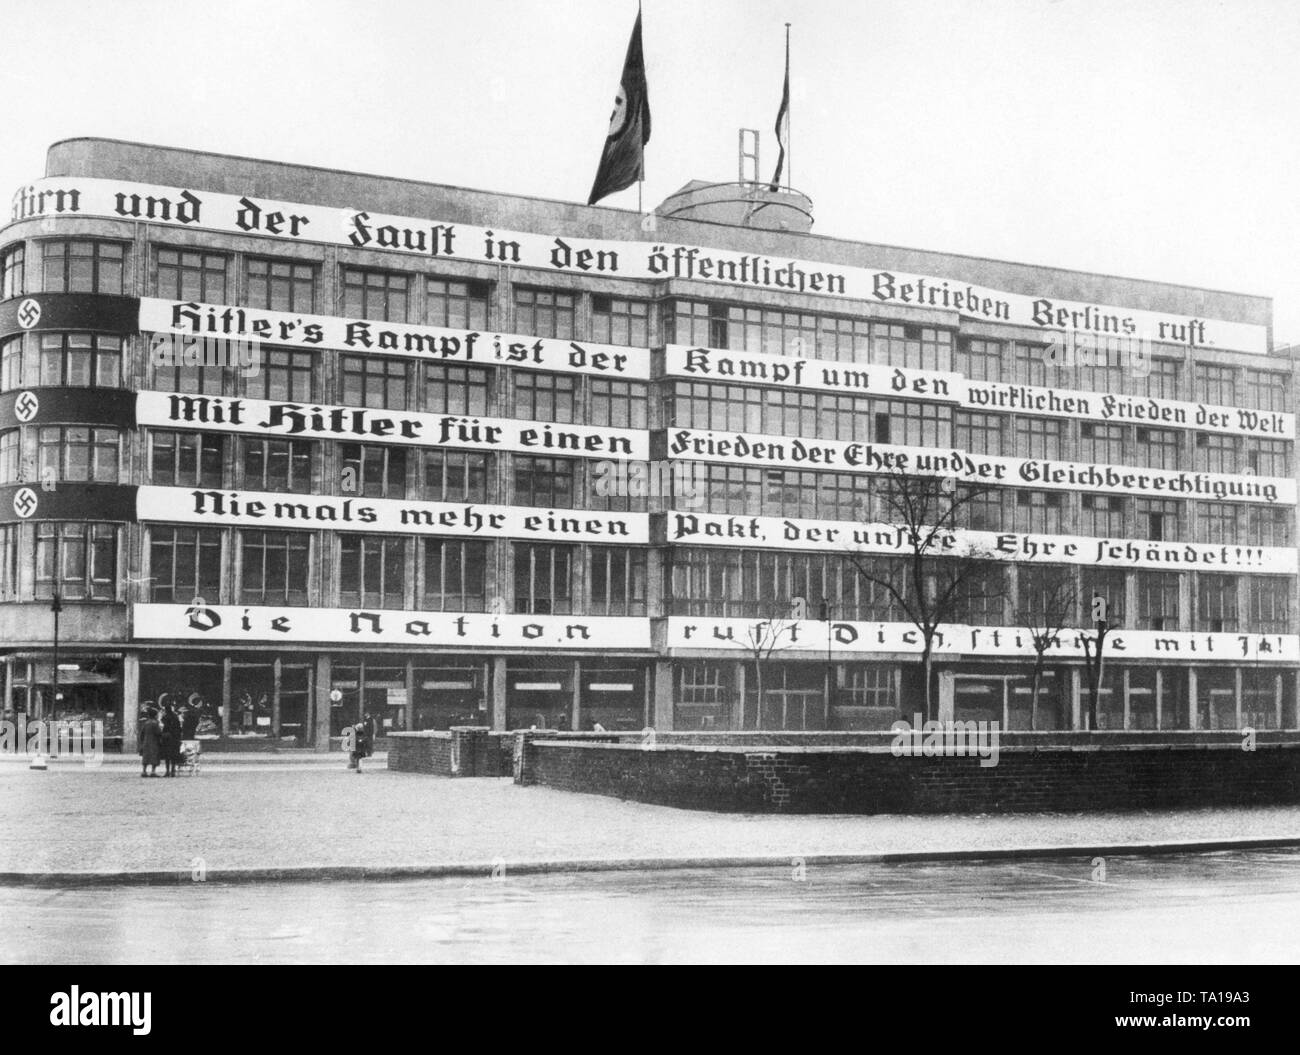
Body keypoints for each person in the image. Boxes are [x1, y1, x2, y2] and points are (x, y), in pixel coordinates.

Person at [138, 707, 162, 778]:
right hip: (154, 742)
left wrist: (142, 741)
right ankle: (153, 771)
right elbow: (158, 732)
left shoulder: (146, 723)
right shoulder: (155, 723)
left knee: (145, 757)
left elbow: (142, 733)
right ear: (155, 715)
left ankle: (144, 771)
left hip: (146, 742)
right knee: (154, 757)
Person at [160, 703, 182, 777]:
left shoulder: (165, 717)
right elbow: (179, 729)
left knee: (167, 756)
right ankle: (173, 771)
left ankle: (167, 771)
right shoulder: (175, 717)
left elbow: (164, 725)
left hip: (167, 739)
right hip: (175, 739)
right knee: (173, 756)